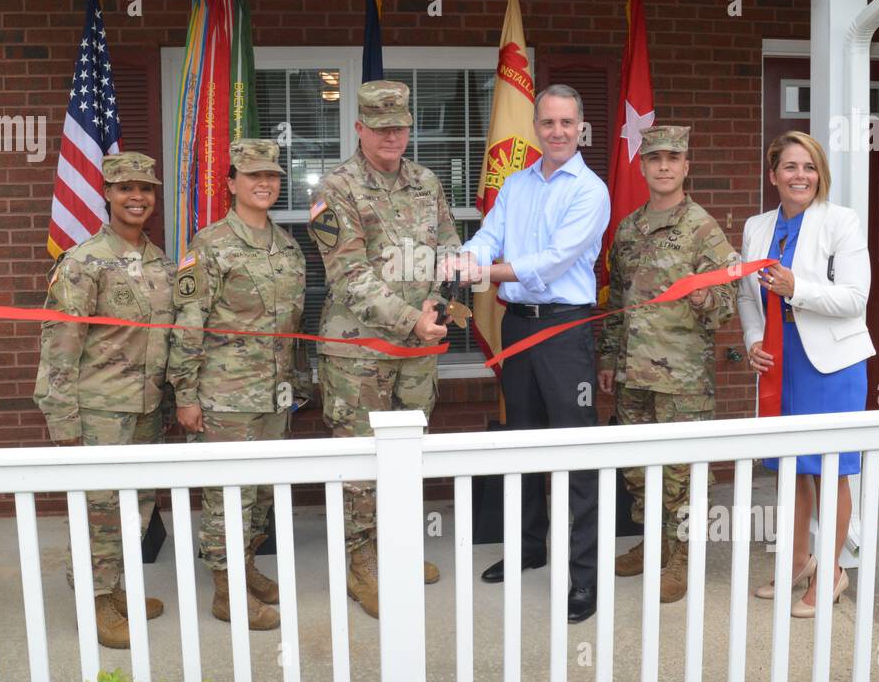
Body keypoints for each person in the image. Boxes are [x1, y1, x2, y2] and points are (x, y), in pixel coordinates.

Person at [446, 83, 610, 623]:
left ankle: (582, 576)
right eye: (548, 123)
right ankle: (530, 546)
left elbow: (552, 261)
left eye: (567, 123)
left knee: (576, 456)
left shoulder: (590, 190)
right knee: (522, 441)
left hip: (564, 333)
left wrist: (485, 273)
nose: (557, 132)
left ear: (580, 127)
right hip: (518, 328)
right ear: (535, 127)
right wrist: (468, 257)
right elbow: (489, 236)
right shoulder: (515, 185)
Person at [309, 80, 456, 619]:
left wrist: (438, 306)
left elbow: (449, 249)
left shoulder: (426, 181)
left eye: (400, 125)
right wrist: (411, 319)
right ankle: (361, 563)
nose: (393, 135)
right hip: (359, 352)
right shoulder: (335, 188)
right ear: (360, 129)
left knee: (406, 457)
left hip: (419, 350)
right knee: (361, 462)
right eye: (381, 126)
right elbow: (348, 275)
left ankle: (396, 548)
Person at [34, 151, 177, 647]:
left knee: (136, 505)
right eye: (126, 189)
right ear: (108, 194)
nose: (137, 197)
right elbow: (60, 343)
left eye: (146, 189)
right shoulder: (84, 261)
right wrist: (61, 418)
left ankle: (114, 589)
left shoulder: (160, 261)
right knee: (99, 508)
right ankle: (93, 601)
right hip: (99, 409)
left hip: (146, 407)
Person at [168, 139, 309, 631]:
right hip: (225, 396)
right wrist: (185, 395)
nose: (264, 184)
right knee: (228, 495)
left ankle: (245, 566)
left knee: (261, 493)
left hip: (275, 396)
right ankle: (225, 592)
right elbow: (188, 323)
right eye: (252, 176)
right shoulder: (208, 246)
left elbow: (293, 329)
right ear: (231, 184)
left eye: (271, 175)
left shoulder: (289, 247)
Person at [597, 125, 739, 601]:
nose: (663, 166)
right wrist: (607, 357)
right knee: (640, 468)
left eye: (672, 159)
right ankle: (655, 543)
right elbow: (617, 298)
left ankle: (682, 555)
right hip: (633, 371)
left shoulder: (704, 227)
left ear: (685, 167)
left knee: (680, 470)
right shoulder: (629, 228)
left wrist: (702, 296)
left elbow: (727, 300)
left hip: (682, 377)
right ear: (642, 166)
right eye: (654, 158)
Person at [737, 130, 875, 618]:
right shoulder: (756, 227)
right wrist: (754, 340)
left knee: (830, 469)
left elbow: (855, 298)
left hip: (832, 363)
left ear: (821, 176)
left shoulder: (842, 222)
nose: (801, 176)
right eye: (790, 167)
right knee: (790, 467)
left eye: (810, 167)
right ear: (773, 175)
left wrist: (798, 287)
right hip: (780, 358)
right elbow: (744, 296)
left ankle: (833, 570)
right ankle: (798, 559)